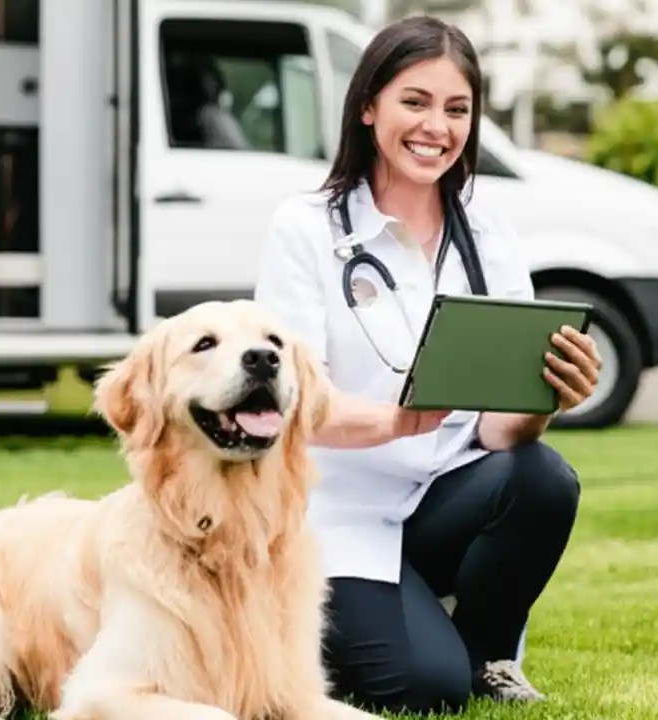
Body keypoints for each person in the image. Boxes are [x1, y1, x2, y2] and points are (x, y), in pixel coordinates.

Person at [253, 15, 597, 716]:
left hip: (445, 496)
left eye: (457, 109)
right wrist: (396, 421)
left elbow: (503, 434)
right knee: (424, 690)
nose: (436, 126)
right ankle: (351, 628)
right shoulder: (306, 228)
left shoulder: (489, 237)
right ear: (368, 106)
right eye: (415, 102)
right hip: (338, 513)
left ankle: (488, 652)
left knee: (543, 478)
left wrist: (545, 398)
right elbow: (295, 402)